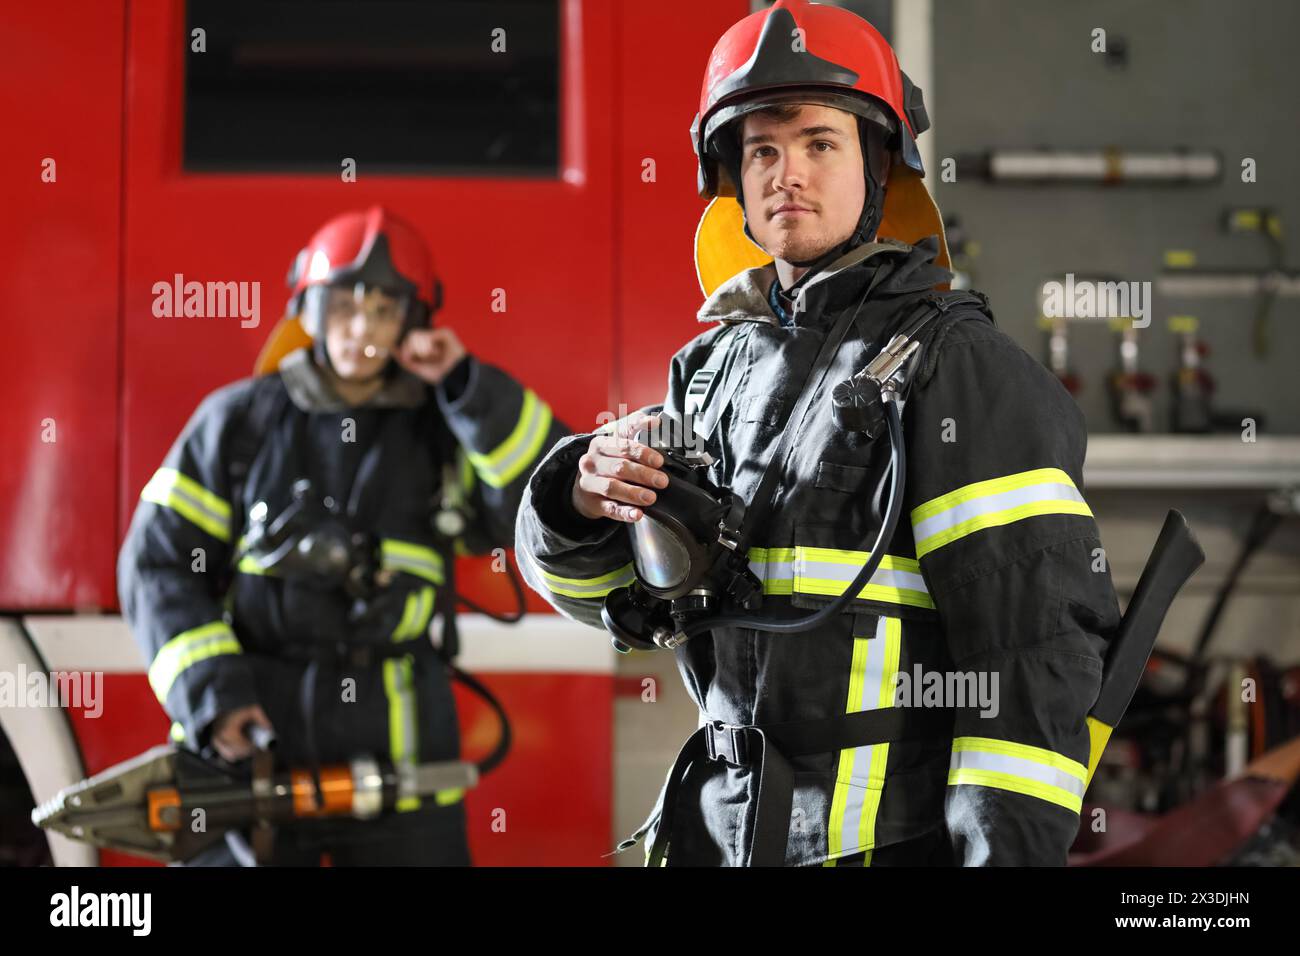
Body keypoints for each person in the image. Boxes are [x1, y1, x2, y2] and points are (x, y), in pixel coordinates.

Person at [514, 0, 1120, 866]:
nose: (783, 172)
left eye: (818, 143)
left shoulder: (964, 371)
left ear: (883, 165)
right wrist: (577, 498)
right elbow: (634, 612)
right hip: (720, 837)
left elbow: (1030, 660)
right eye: (760, 148)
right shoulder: (713, 370)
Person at [118, 205, 568, 865]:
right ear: (310, 307)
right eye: (346, 307)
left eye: (385, 310)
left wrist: (468, 389)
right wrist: (214, 700)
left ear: (412, 321)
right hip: (250, 762)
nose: (362, 330)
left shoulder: (443, 427)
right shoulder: (238, 423)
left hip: (404, 775)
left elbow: (547, 497)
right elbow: (157, 565)